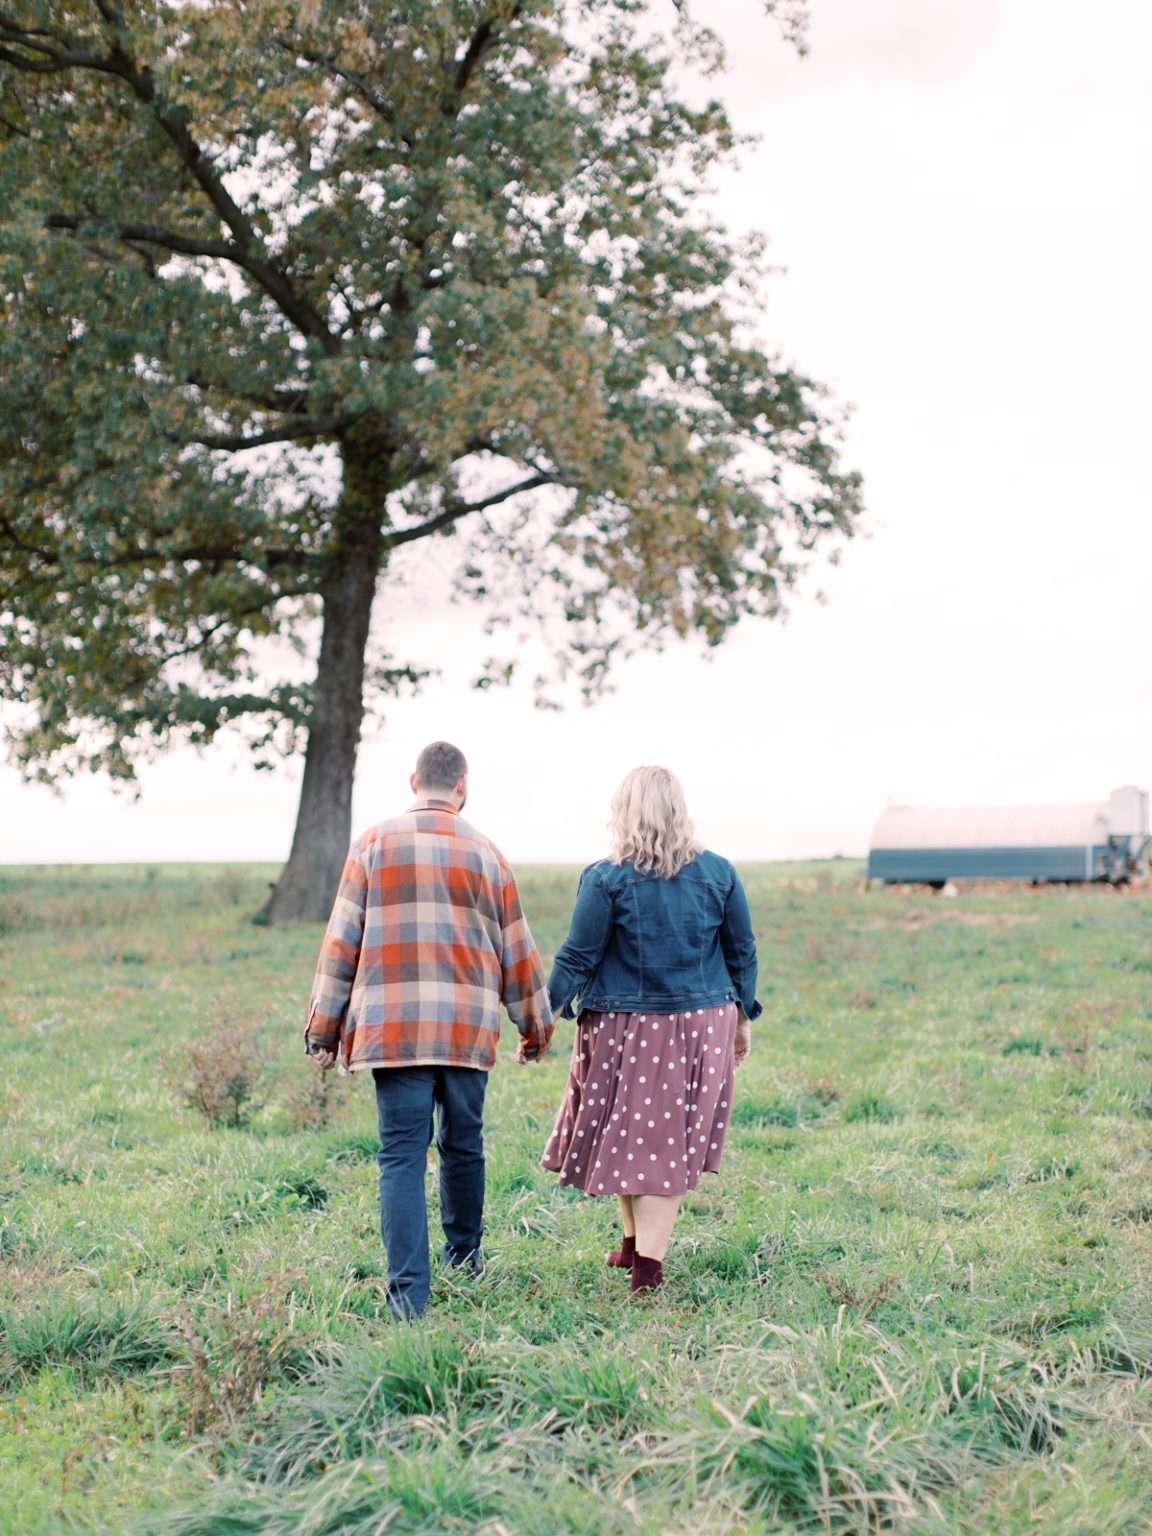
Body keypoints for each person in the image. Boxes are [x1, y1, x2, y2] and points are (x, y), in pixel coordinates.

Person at [305, 741, 554, 1318]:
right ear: (463, 786)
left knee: (400, 1155)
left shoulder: (372, 844)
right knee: (464, 1146)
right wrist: (534, 1028)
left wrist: (324, 1028)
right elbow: (517, 948)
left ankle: (408, 1297)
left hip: (393, 1029)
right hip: (466, 1029)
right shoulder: (489, 854)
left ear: (414, 780)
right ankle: (464, 1258)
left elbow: (341, 941)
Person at [541, 765, 758, 1293]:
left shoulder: (605, 877)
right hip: (703, 1021)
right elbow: (742, 952)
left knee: (646, 1143)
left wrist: (542, 1013)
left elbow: (578, 955)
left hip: (626, 1025)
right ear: (679, 810)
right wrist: (742, 1016)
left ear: (624, 812)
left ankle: (648, 1271)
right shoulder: (720, 872)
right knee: (642, 1139)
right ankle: (635, 1247)